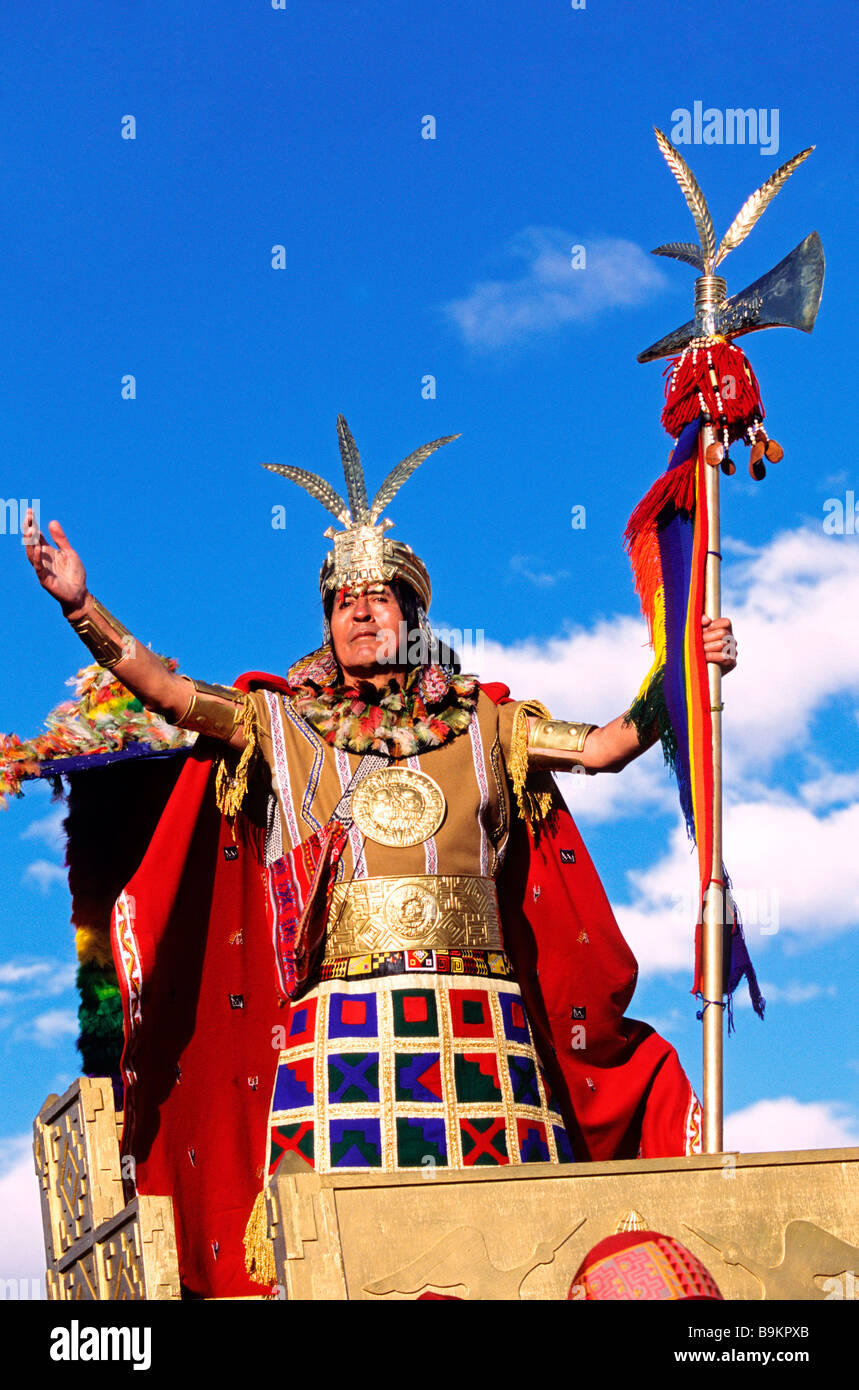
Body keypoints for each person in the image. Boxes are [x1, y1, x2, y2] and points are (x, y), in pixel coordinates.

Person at [21, 417, 737, 1293]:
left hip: (483, 1013)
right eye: (344, 599)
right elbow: (166, 691)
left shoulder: (489, 725)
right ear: (328, 618)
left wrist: (682, 672)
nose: (363, 611)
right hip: (343, 1022)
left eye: (382, 596)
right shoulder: (277, 724)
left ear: (412, 615)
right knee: (333, 1250)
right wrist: (80, 607)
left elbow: (606, 747)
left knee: (510, 1247)